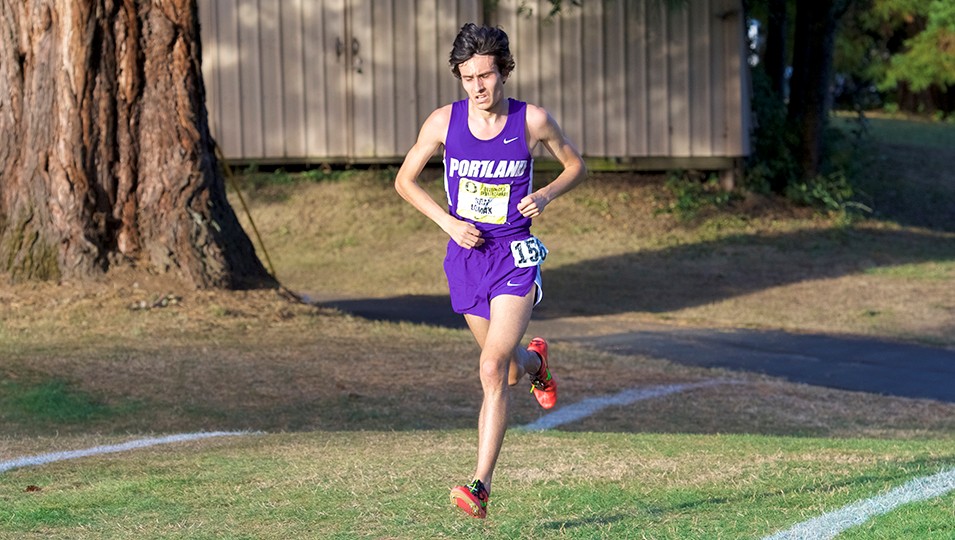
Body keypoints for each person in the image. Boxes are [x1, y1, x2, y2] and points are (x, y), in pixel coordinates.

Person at [394, 22, 586, 519]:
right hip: (465, 257)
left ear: (504, 71)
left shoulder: (532, 121)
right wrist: (449, 222)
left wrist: (543, 194)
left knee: (489, 368)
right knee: (512, 368)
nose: (478, 86)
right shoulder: (442, 123)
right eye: (467, 77)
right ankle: (538, 364)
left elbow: (574, 166)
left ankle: (479, 485)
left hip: (514, 255)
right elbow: (404, 181)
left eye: (486, 75)